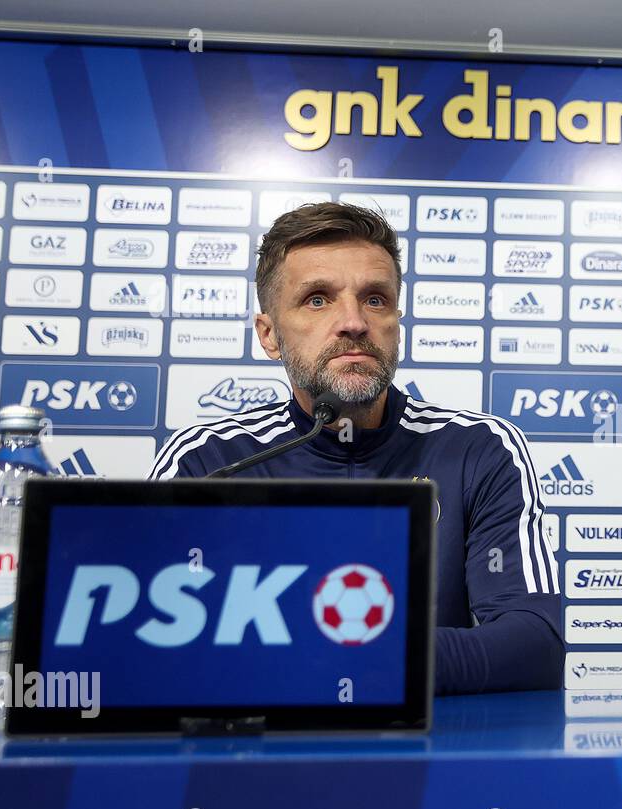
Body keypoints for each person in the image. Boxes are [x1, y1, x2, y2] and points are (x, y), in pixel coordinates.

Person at [149, 202, 562, 695]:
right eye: (318, 300)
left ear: (396, 322)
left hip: (427, 762)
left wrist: (351, 658)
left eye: (375, 299)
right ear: (269, 335)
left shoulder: (478, 450)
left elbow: (536, 642)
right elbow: (156, 647)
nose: (354, 322)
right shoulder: (208, 460)